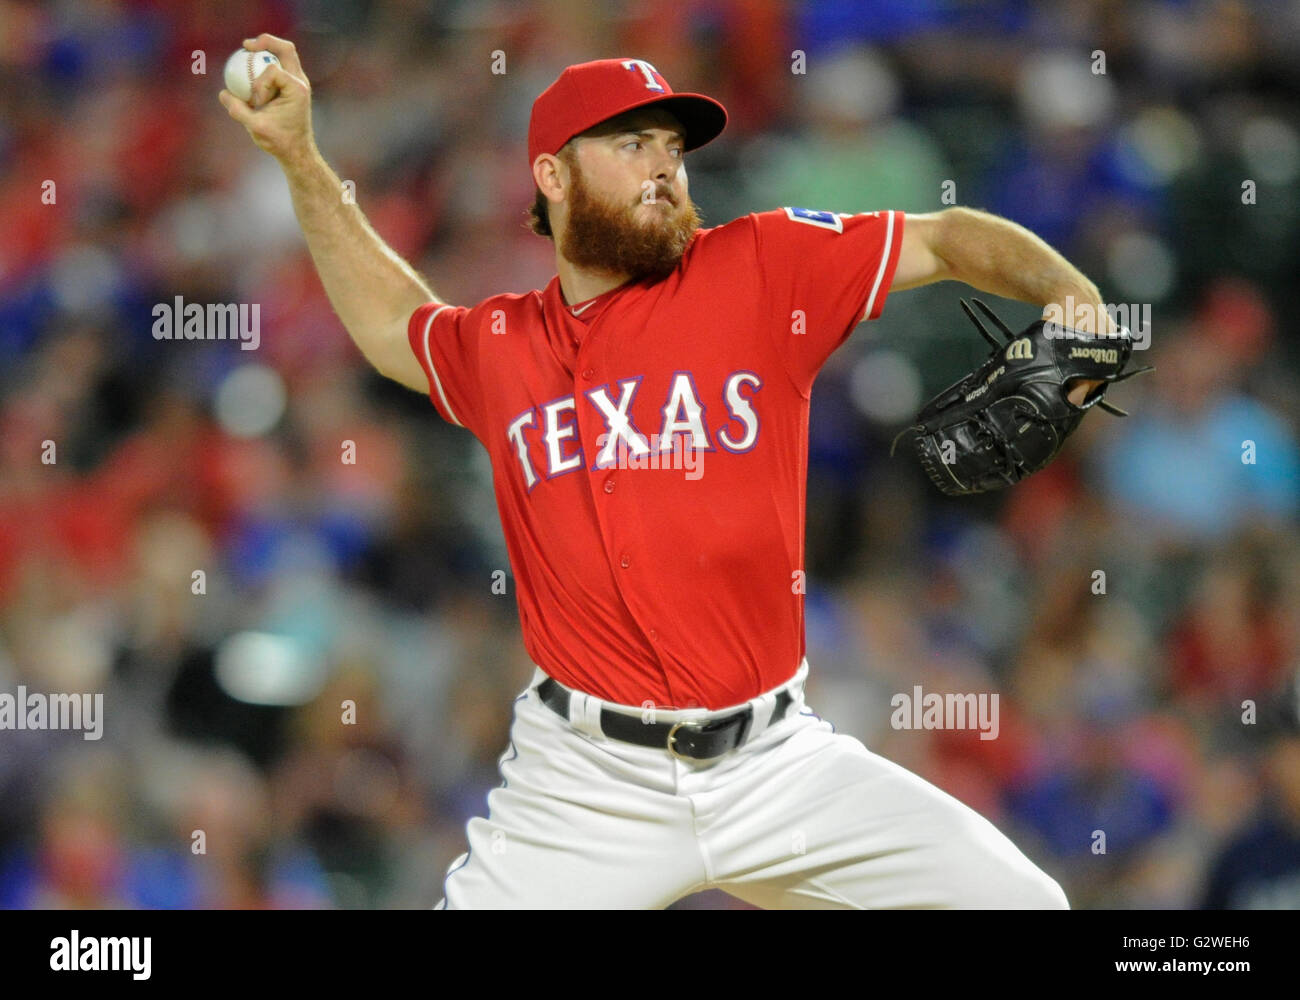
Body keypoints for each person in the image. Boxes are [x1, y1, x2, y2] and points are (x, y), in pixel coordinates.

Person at [221, 37, 1116, 909]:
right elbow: (390, 327)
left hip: (776, 762)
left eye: (673, 146)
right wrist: (301, 157)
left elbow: (951, 237)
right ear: (552, 176)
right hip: (586, 783)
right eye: (630, 142)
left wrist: (1080, 302)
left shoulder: (763, 267)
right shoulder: (499, 344)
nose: (662, 165)